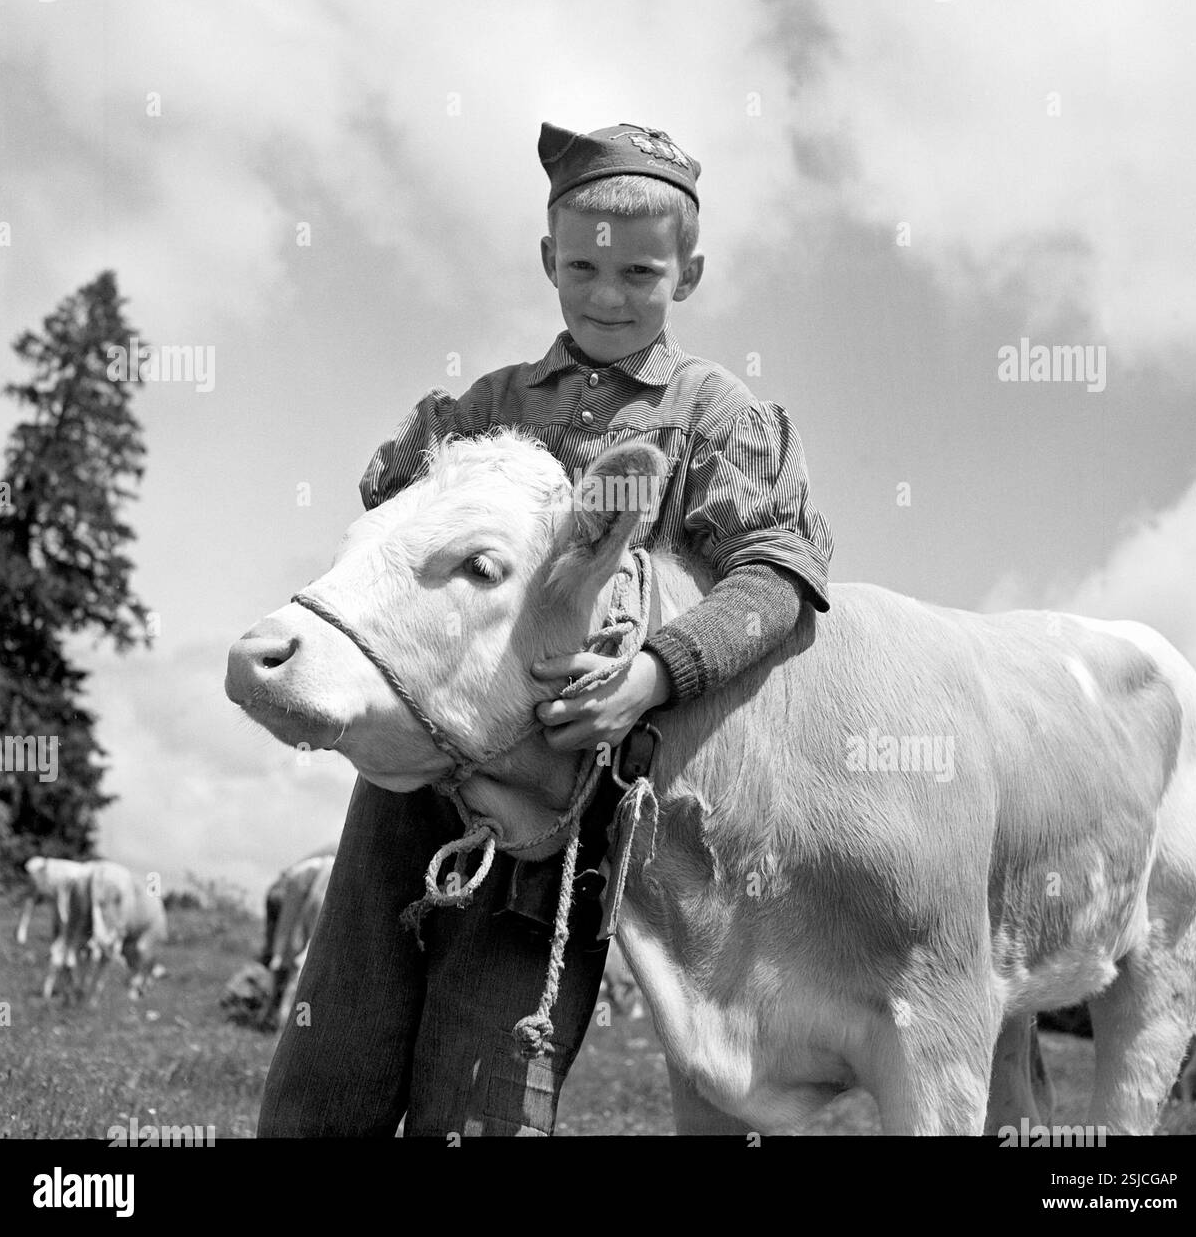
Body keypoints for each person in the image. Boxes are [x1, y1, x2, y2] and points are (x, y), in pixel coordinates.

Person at [258, 120, 833, 1137]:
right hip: (406, 776)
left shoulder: (714, 415)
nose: (606, 295)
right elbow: (395, 536)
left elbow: (778, 576)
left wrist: (654, 672)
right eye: (581, 268)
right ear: (545, 262)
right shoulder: (483, 407)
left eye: (639, 273)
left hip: (559, 810)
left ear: (689, 274)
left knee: (480, 1093)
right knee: (326, 1064)